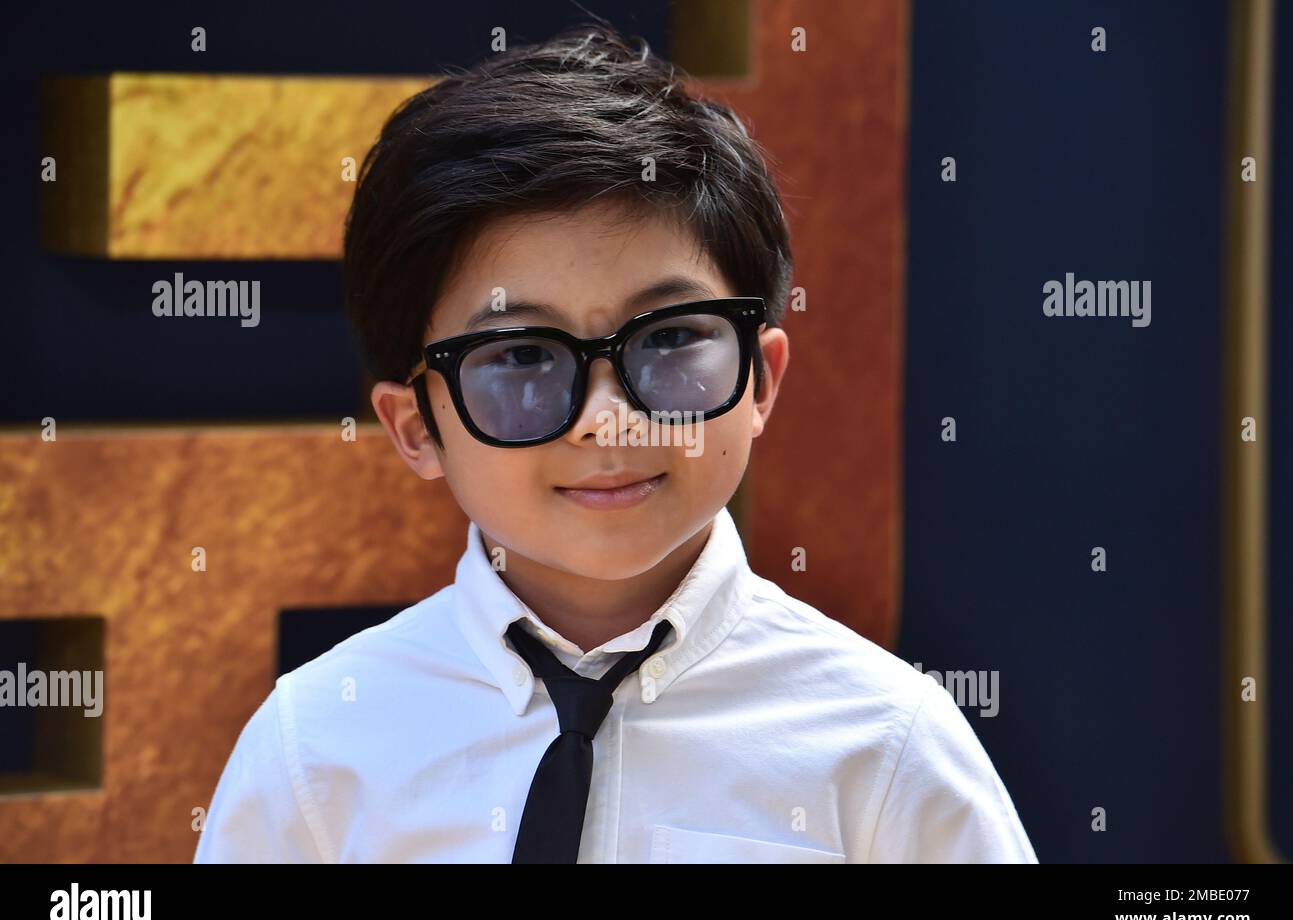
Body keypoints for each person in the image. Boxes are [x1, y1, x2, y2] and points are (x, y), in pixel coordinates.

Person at [194, 20, 1037, 864]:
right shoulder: (316, 749)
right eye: (521, 355)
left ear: (760, 380)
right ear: (417, 426)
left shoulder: (886, 747)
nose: (609, 417)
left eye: (668, 341)